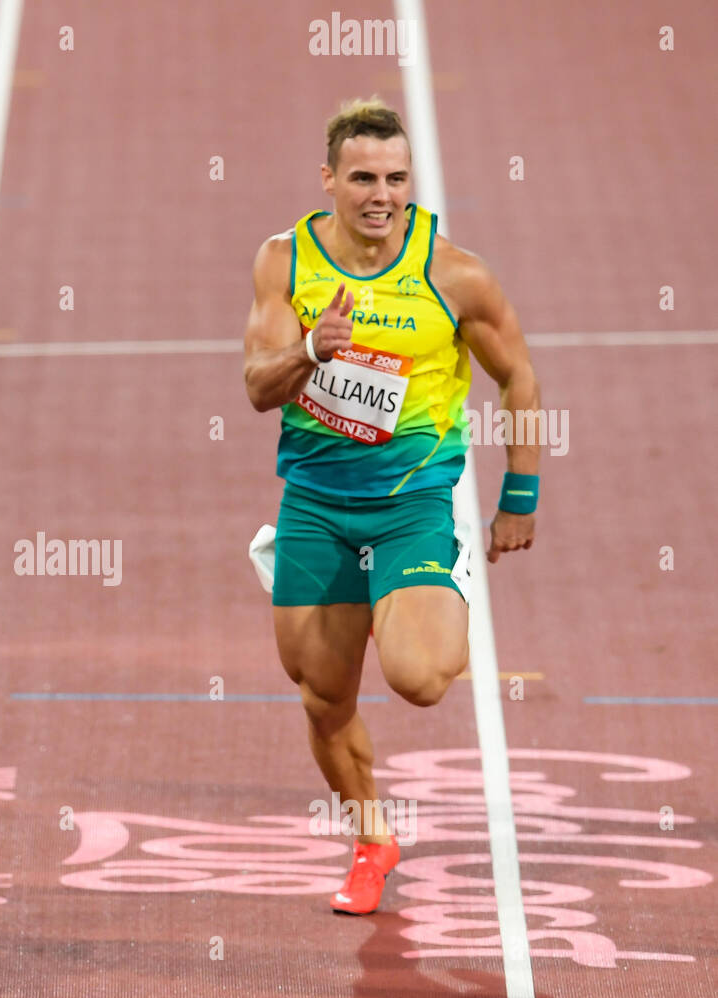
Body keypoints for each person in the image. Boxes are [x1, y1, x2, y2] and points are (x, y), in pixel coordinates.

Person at [243, 98, 540, 914]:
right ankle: (372, 839)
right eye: (365, 178)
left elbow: (518, 376)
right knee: (322, 696)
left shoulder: (454, 274)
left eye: (399, 179)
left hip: (410, 507)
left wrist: (520, 493)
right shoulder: (284, 263)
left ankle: (430, 584)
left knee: (420, 678)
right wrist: (311, 350)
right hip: (314, 508)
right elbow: (256, 388)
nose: (383, 194)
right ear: (329, 180)